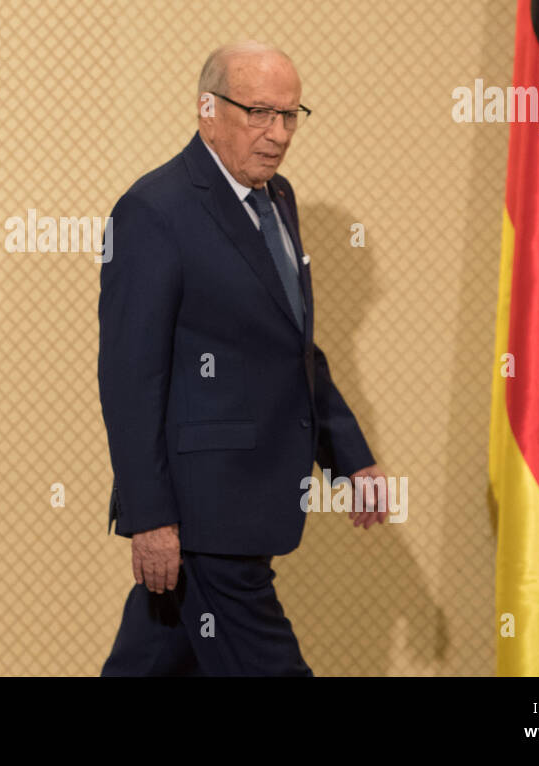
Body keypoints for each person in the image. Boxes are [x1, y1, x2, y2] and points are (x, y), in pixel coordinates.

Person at [99, 40, 387, 676]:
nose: (278, 133)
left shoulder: (277, 200)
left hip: (247, 506)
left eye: (289, 115)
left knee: (152, 660)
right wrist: (149, 517)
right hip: (203, 516)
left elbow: (292, 350)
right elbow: (128, 379)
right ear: (208, 108)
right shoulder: (153, 211)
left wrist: (350, 458)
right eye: (258, 112)